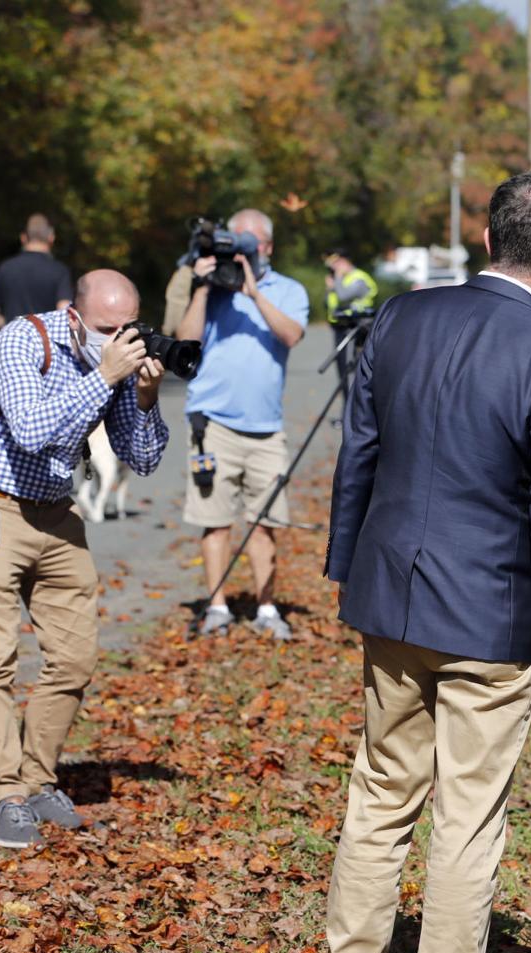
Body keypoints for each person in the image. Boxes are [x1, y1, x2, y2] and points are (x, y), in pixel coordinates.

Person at [314, 173, 531, 953]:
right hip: (489, 622)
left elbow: (359, 451)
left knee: (379, 794)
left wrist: (344, 571)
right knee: (468, 820)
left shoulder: (399, 318)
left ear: (486, 239)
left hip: (390, 603)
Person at [0, 270, 170, 849]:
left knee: (75, 657)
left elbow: (142, 460)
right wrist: (105, 375)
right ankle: (2, 795)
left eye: (128, 328)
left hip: (54, 511)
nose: (119, 338)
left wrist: (143, 397)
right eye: (106, 329)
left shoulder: (116, 362)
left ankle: (37, 778)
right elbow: (30, 430)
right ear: (74, 315)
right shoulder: (24, 341)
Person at [176, 208, 309, 640]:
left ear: (267, 246)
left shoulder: (288, 290)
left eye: (250, 243)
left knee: (265, 522)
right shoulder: (212, 291)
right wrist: (200, 287)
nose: (242, 251)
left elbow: (291, 335)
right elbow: (185, 341)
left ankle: (266, 608)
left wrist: (254, 294)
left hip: (266, 428)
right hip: (212, 422)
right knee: (214, 521)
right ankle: (217, 607)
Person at [0, 214, 74, 329]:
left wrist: (11, 328)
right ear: (51, 238)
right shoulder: (59, 271)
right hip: (43, 344)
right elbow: (64, 313)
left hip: (12, 343)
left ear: (23, 238)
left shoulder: (6, 268)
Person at [323, 249, 378, 388]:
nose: (334, 268)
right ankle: (347, 405)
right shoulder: (341, 279)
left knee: (352, 373)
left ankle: (354, 407)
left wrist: (337, 279)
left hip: (356, 328)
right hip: (339, 327)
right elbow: (328, 302)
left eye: (336, 263)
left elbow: (343, 296)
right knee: (342, 372)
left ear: (344, 261)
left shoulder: (359, 278)